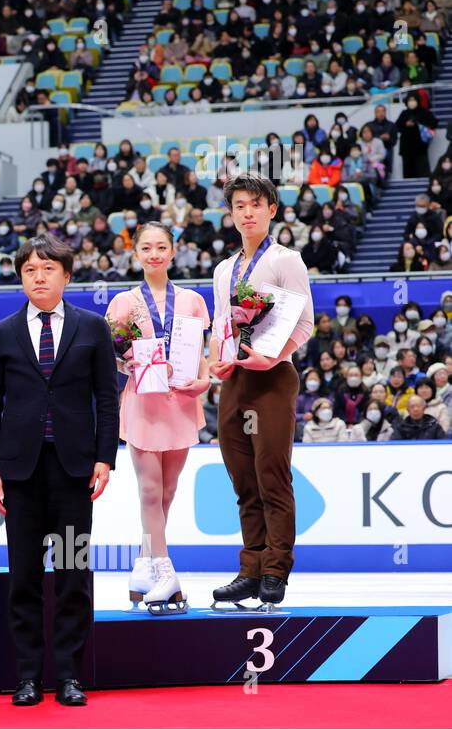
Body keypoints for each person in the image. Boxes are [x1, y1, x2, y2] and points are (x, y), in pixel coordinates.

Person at [0, 235, 118, 707]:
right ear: (20, 278)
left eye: (48, 269)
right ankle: (29, 676)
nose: (39, 277)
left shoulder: (93, 328)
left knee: (74, 572)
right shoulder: (0, 333)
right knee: (24, 577)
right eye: (30, 271)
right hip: (19, 475)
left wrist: (105, 458)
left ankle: (71, 675)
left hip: (75, 472)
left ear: (66, 275)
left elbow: (106, 399)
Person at [209, 173, 314, 609]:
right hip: (234, 378)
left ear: (272, 210)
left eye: (256, 204)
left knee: (272, 474)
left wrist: (273, 357)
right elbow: (219, 325)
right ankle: (249, 568)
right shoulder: (222, 269)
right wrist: (216, 360)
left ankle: (275, 569)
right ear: (231, 214)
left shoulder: (286, 260)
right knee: (242, 478)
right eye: (239, 205)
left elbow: (304, 324)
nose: (247, 212)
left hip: (273, 376)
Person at [105, 222, 210, 613]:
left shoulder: (193, 301)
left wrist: (204, 381)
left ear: (172, 251)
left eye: (161, 247)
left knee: (168, 491)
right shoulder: (122, 303)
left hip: (180, 402)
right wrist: (126, 360)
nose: (154, 254)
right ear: (136, 254)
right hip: (143, 402)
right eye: (146, 248)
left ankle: (142, 564)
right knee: (149, 490)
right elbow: (114, 357)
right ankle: (165, 571)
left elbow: (200, 353)